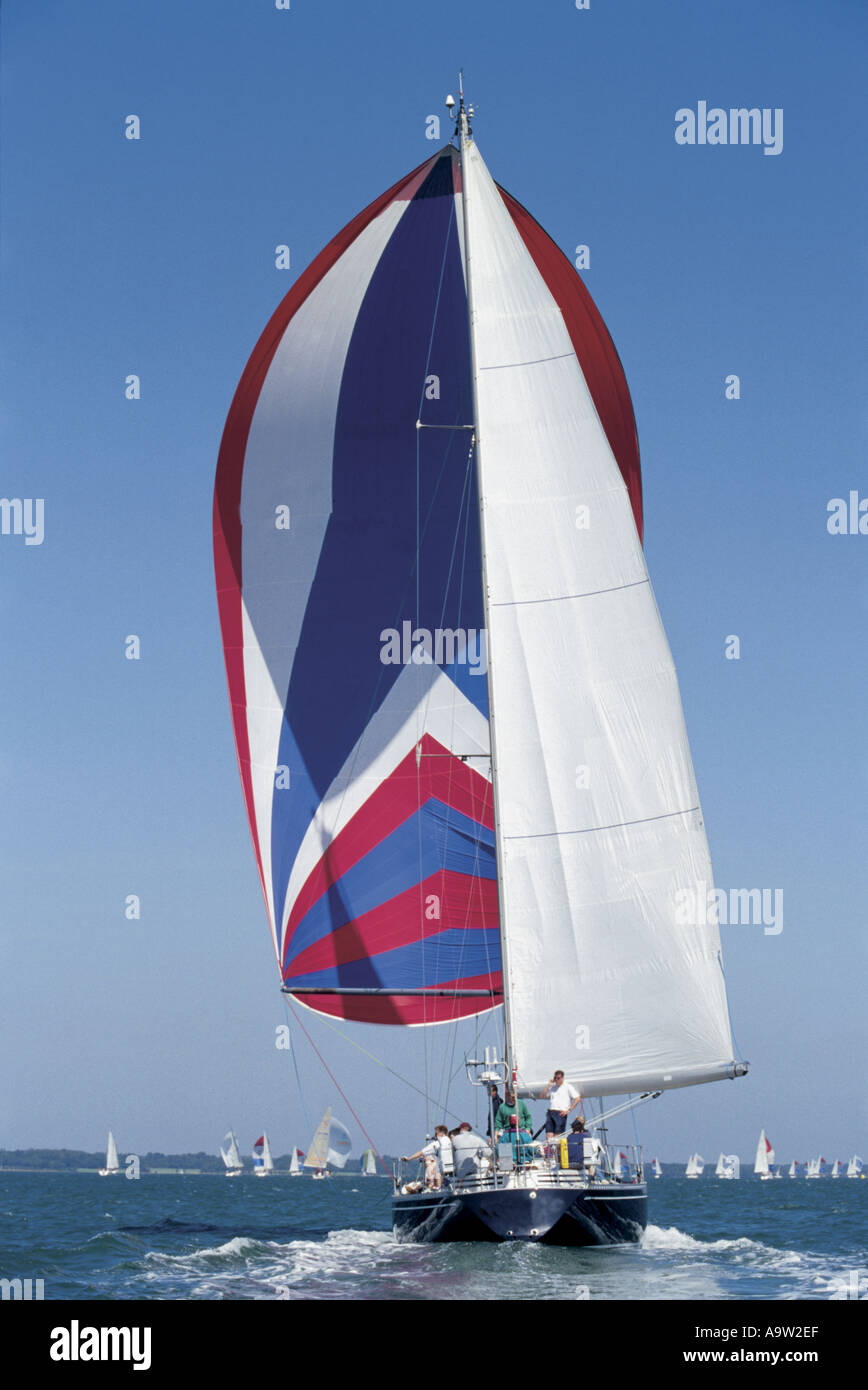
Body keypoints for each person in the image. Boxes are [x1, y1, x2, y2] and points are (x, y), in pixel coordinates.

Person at [403, 1125, 452, 1190]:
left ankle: (438, 1187)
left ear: (441, 1133)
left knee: (437, 1168)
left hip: (442, 1169)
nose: (435, 1135)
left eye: (436, 1133)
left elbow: (421, 1152)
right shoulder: (449, 1141)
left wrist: (409, 1159)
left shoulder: (437, 1144)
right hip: (451, 1167)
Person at [539, 1069, 582, 1141]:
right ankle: (550, 1151)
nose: (556, 1080)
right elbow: (542, 1096)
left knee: (558, 1136)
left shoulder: (568, 1086)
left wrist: (569, 1110)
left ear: (562, 1078)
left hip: (561, 1113)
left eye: (558, 1078)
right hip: (551, 1112)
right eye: (555, 1078)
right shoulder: (553, 1087)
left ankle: (558, 1151)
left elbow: (577, 1098)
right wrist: (548, 1086)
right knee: (548, 1135)